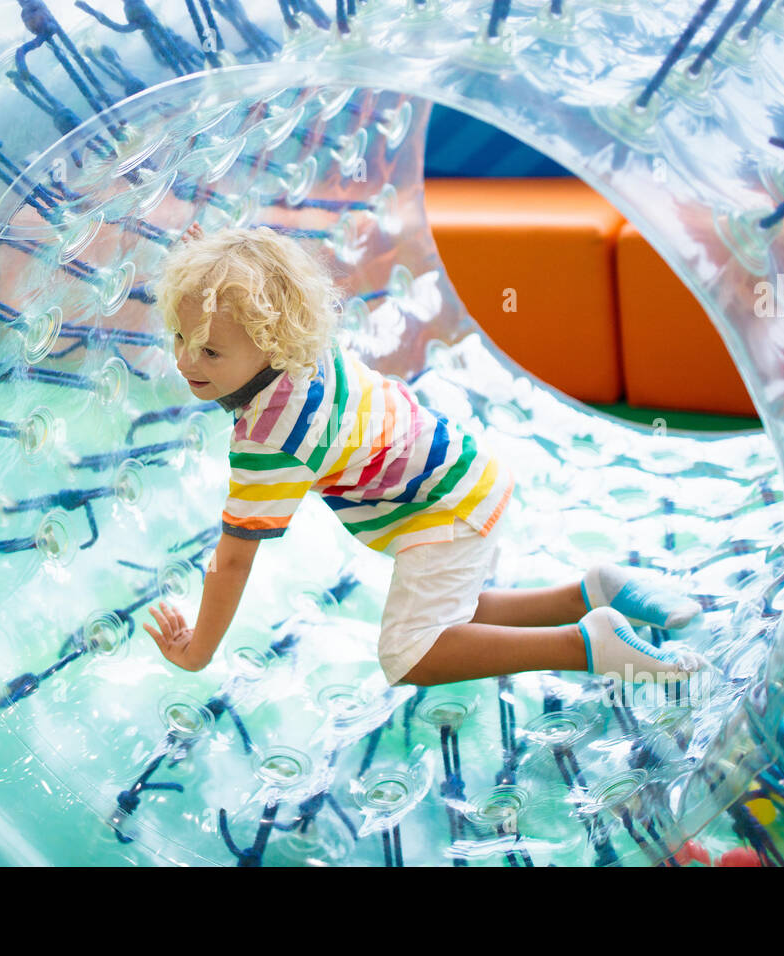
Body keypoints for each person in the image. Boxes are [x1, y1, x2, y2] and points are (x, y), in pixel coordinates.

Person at [140, 223, 705, 687]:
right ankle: (595, 590)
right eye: (179, 337)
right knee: (452, 617)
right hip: (465, 471)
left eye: (210, 351)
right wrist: (207, 261)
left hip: (443, 513)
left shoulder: (270, 441)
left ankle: (584, 645)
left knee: (410, 654)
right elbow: (263, 288)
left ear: (269, 340)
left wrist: (199, 652)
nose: (187, 362)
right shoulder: (305, 344)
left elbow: (233, 560)